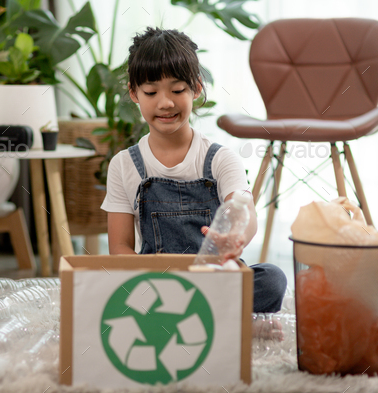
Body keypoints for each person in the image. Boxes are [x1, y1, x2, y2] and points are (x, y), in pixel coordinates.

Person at [101, 27, 287, 313]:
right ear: (134, 92)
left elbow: (243, 206)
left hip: (215, 279)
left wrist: (235, 236)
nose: (165, 103)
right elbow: (120, 248)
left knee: (272, 279)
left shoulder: (220, 158)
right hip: (157, 284)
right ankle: (216, 317)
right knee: (100, 288)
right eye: (151, 92)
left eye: (177, 90)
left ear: (196, 88)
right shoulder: (124, 164)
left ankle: (192, 315)